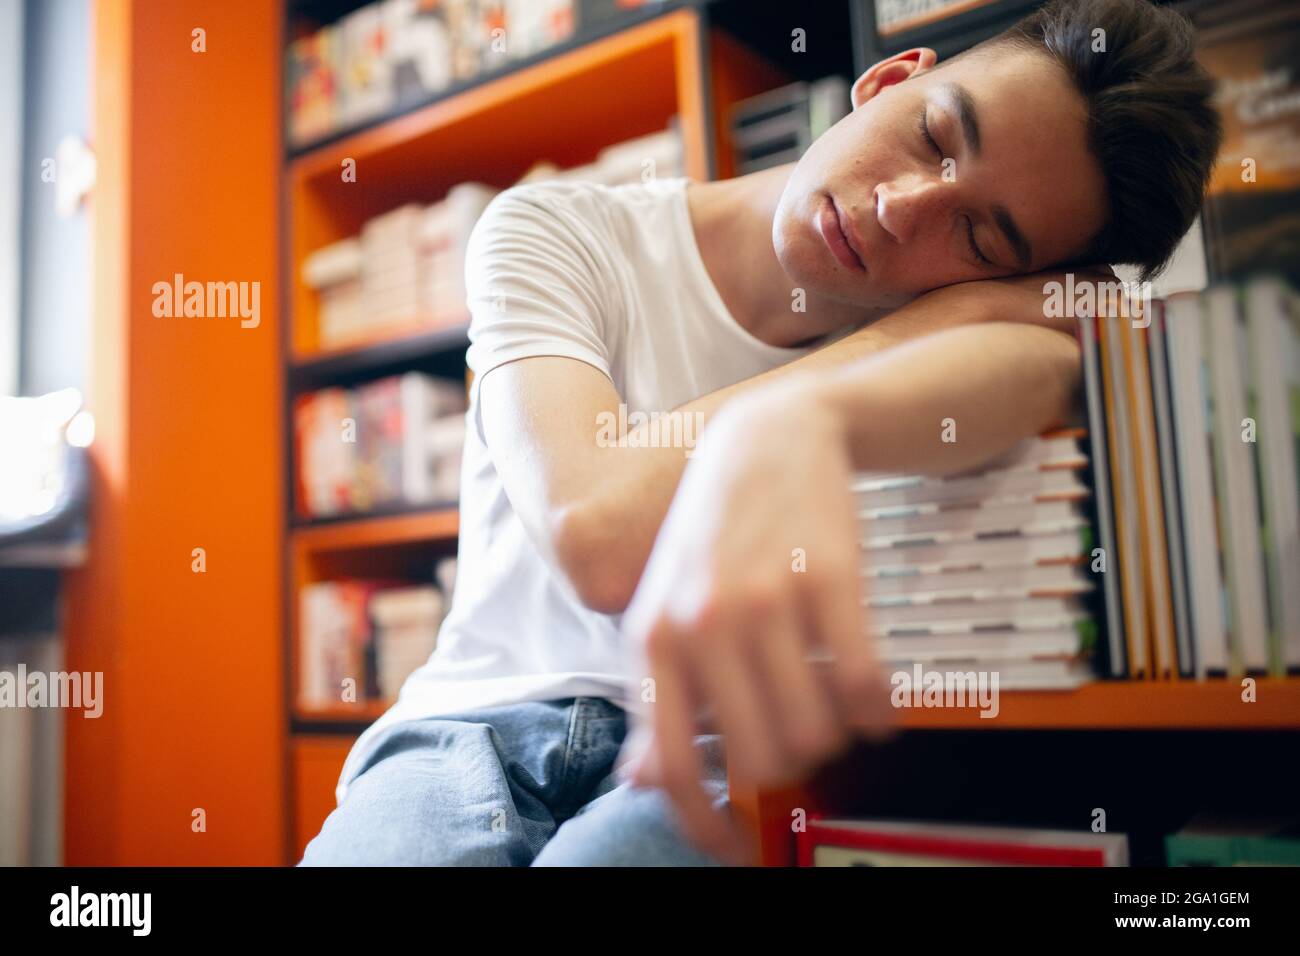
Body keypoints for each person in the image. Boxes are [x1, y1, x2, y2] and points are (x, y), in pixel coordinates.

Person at [301, 0, 1221, 866]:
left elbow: (1048, 368)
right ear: (889, 78)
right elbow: (597, 535)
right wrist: (930, 325)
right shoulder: (555, 229)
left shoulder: (989, 352)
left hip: (727, 740)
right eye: (935, 136)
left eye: (980, 238)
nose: (903, 206)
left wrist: (833, 405)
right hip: (468, 726)